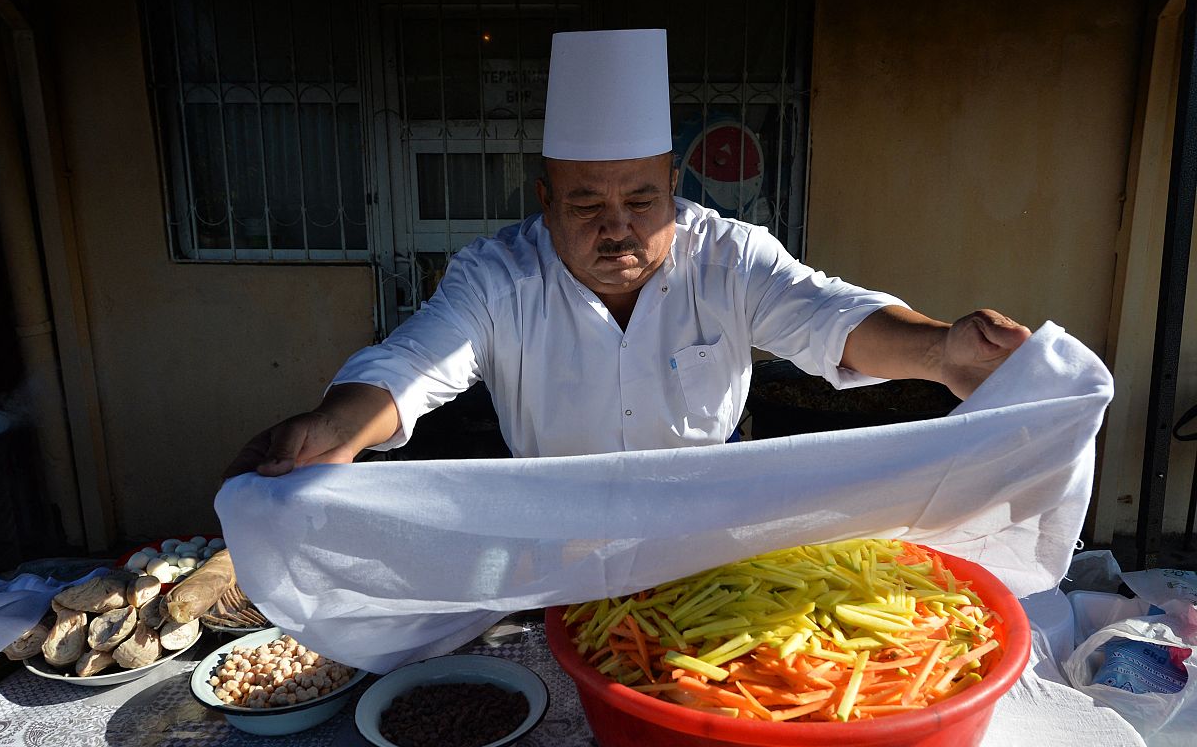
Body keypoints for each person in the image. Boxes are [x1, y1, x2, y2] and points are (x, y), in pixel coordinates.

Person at [224, 29, 1030, 479]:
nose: (618, 229)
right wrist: (337, 424)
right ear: (543, 201)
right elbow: (415, 362)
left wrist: (942, 351)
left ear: (672, 187)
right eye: (585, 203)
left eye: (642, 201)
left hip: (706, 534)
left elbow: (832, 315)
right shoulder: (499, 277)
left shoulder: (729, 257)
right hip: (555, 542)